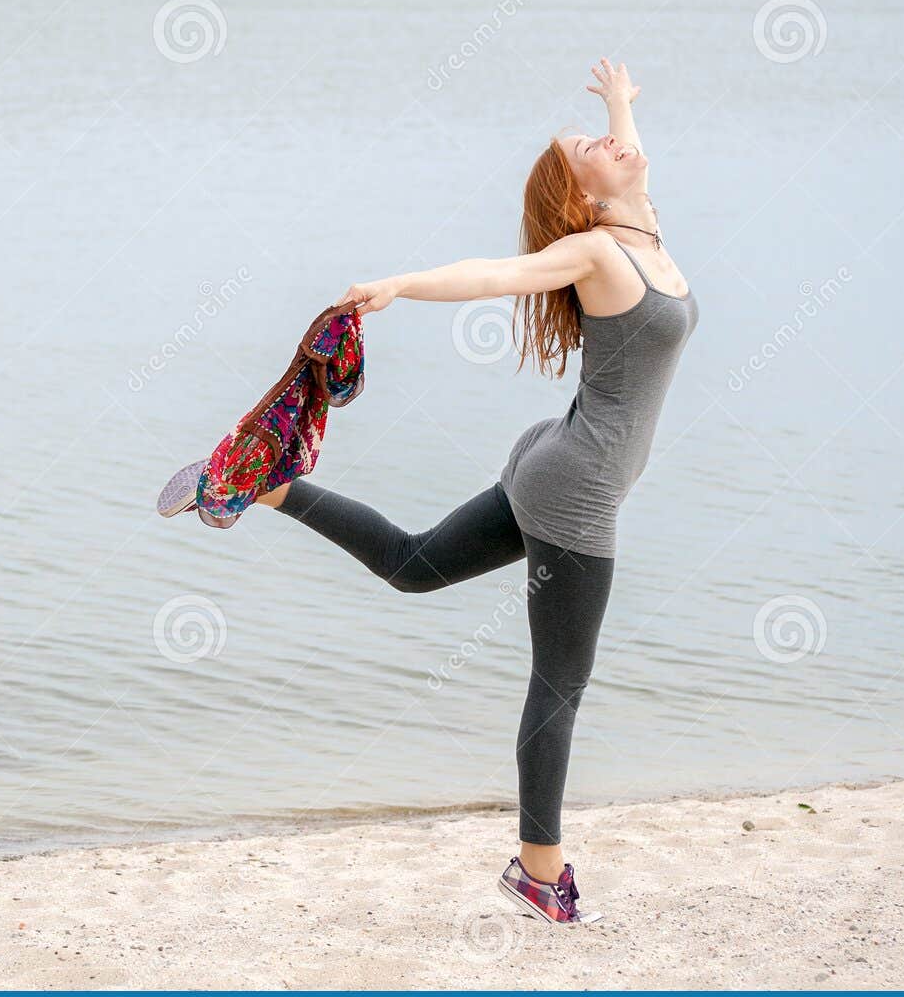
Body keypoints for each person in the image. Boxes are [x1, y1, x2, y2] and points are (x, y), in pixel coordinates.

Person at [160, 61, 697, 924]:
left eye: (602, 139)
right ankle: (537, 869)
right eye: (586, 148)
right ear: (582, 198)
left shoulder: (641, 227)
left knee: (412, 565)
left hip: (555, 462)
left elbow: (630, 166)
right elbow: (491, 274)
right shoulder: (594, 251)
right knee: (559, 684)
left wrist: (619, 105)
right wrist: (402, 285)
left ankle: (267, 484)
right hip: (577, 489)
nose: (608, 143)